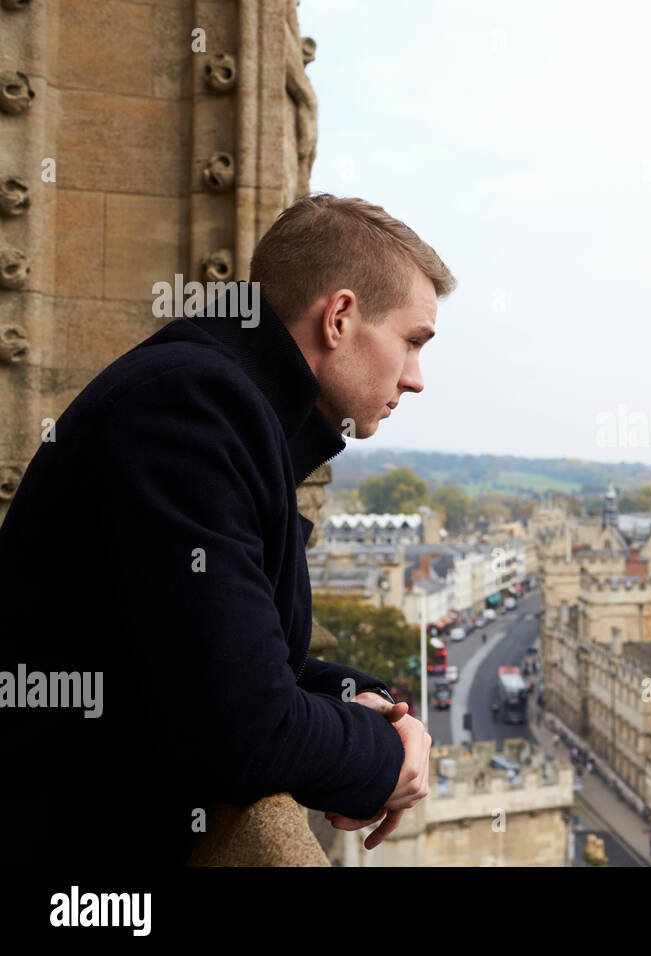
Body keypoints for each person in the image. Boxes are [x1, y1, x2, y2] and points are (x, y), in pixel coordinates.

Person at [0, 193, 455, 866]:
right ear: (339, 317)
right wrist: (387, 754)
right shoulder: (192, 406)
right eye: (413, 342)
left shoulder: (224, 404)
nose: (416, 380)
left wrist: (381, 706)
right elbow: (245, 729)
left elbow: (243, 655)